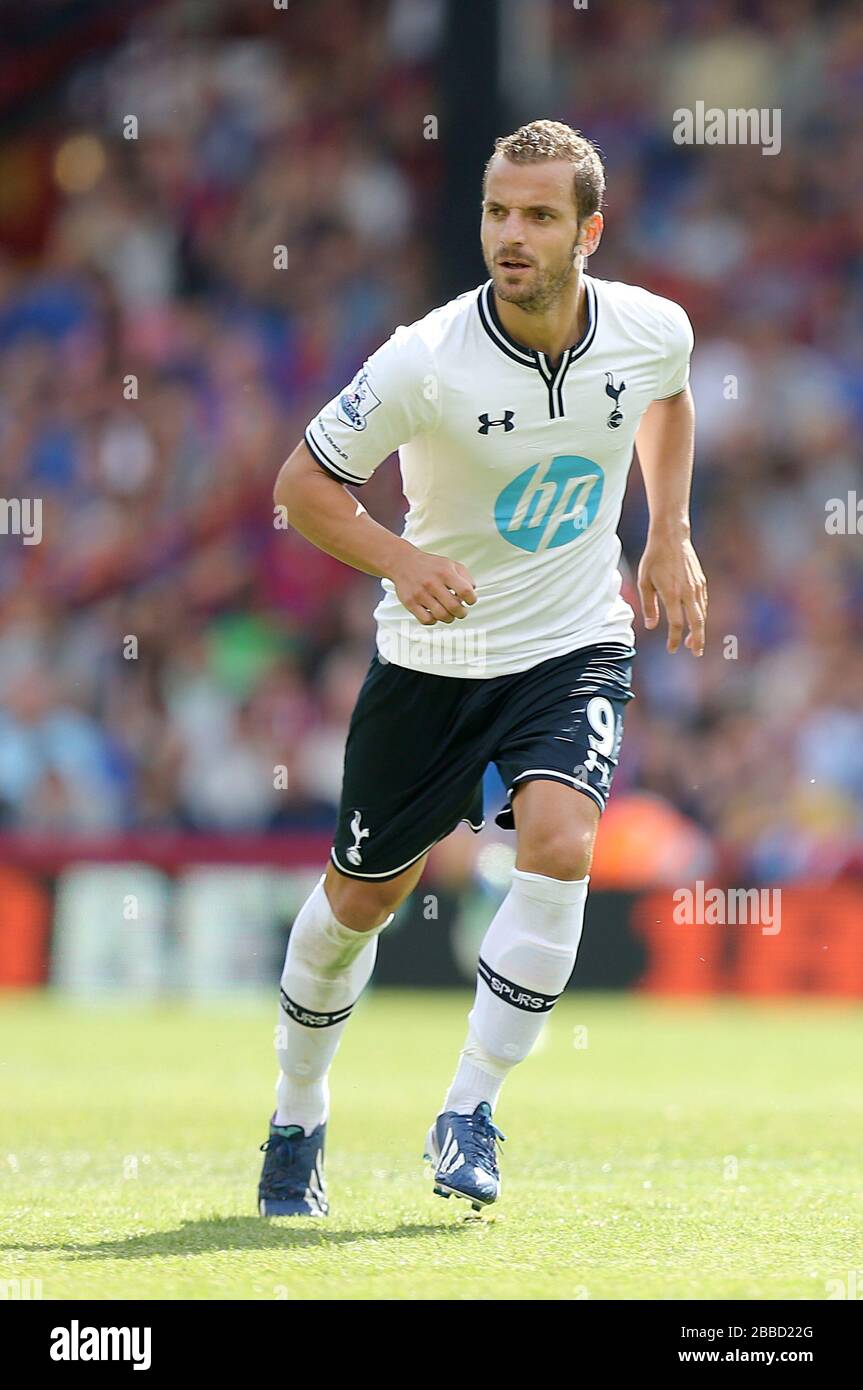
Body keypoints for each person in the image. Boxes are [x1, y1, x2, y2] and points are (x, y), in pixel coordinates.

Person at [258, 119, 707, 1216]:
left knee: (559, 840)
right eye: (497, 212)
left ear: (586, 231)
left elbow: (668, 396)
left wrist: (667, 531)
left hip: (570, 641)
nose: (510, 235)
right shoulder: (424, 359)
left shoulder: (650, 329)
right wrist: (400, 557)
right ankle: (296, 1112)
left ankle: (469, 1106)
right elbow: (302, 489)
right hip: (434, 658)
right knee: (363, 898)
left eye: (538, 216)